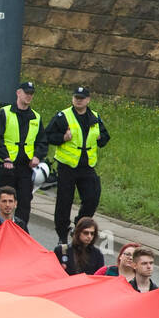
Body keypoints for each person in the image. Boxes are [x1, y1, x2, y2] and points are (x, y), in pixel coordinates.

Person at [45, 85, 109, 245]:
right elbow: (47, 135)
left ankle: (79, 225)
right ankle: (62, 234)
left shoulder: (94, 117)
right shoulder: (63, 116)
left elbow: (105, 137)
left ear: (88, 100)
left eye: (81, 99)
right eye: (76, 98)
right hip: (67, 167)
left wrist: (101, 138)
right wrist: (62, 138)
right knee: (64, 202)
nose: (78, 101)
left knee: (92, 197)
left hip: (87, 167)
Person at [0, 81, 43, 229]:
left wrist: (37, 156)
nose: (29, 96)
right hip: (6, 168)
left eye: (31, 94)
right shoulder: (5, 112)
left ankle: (20, 234)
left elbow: (42, 141)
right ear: (18, 93)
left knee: (24, 203)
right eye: (26, 93)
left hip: (25, 168)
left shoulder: (36, 117)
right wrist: (5, 157)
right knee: (1, 201)